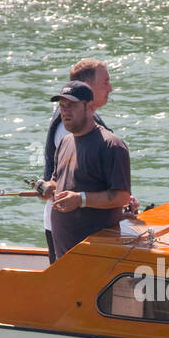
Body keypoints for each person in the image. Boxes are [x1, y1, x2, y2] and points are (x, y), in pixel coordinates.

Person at [40, 81, 132, 259]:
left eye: (71, 105)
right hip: (65, 254)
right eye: (62, 106)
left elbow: (122, 196)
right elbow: (57, 180)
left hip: (96, 258)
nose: (64, 111)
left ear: (90, 107)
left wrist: (80, 199)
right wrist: (49, 188)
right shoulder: (65, 142)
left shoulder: (111, 145)